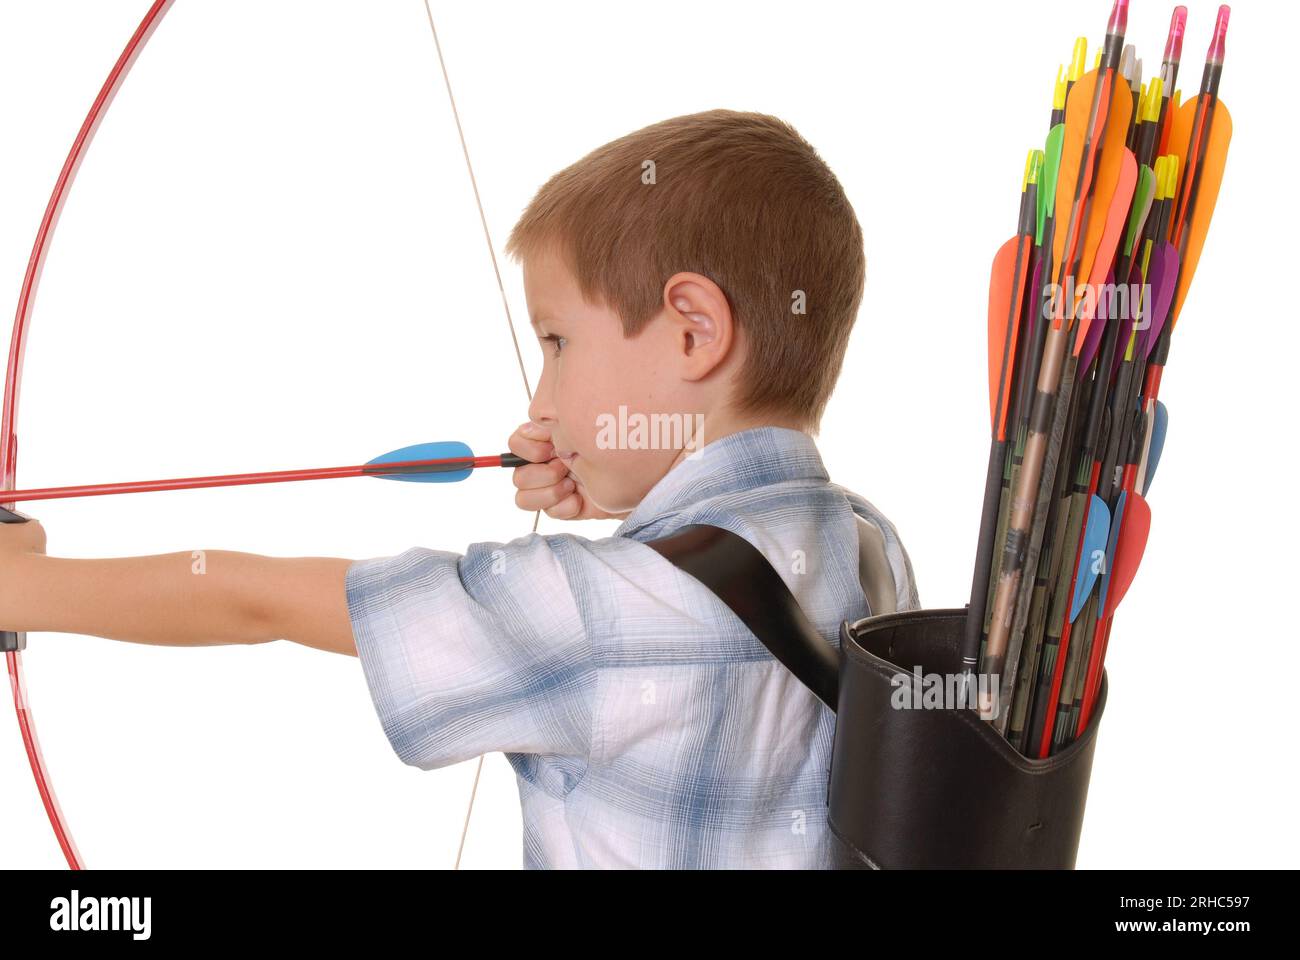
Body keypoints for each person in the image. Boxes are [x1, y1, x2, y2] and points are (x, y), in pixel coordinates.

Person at [0, 109, 917, 868]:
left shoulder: (589, 615)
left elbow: (253, 598)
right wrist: (636, 496)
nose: (540, 397)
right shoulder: (871, 546)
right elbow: (723, 621)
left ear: (691, 333)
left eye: (556, 342)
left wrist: (26, 587)